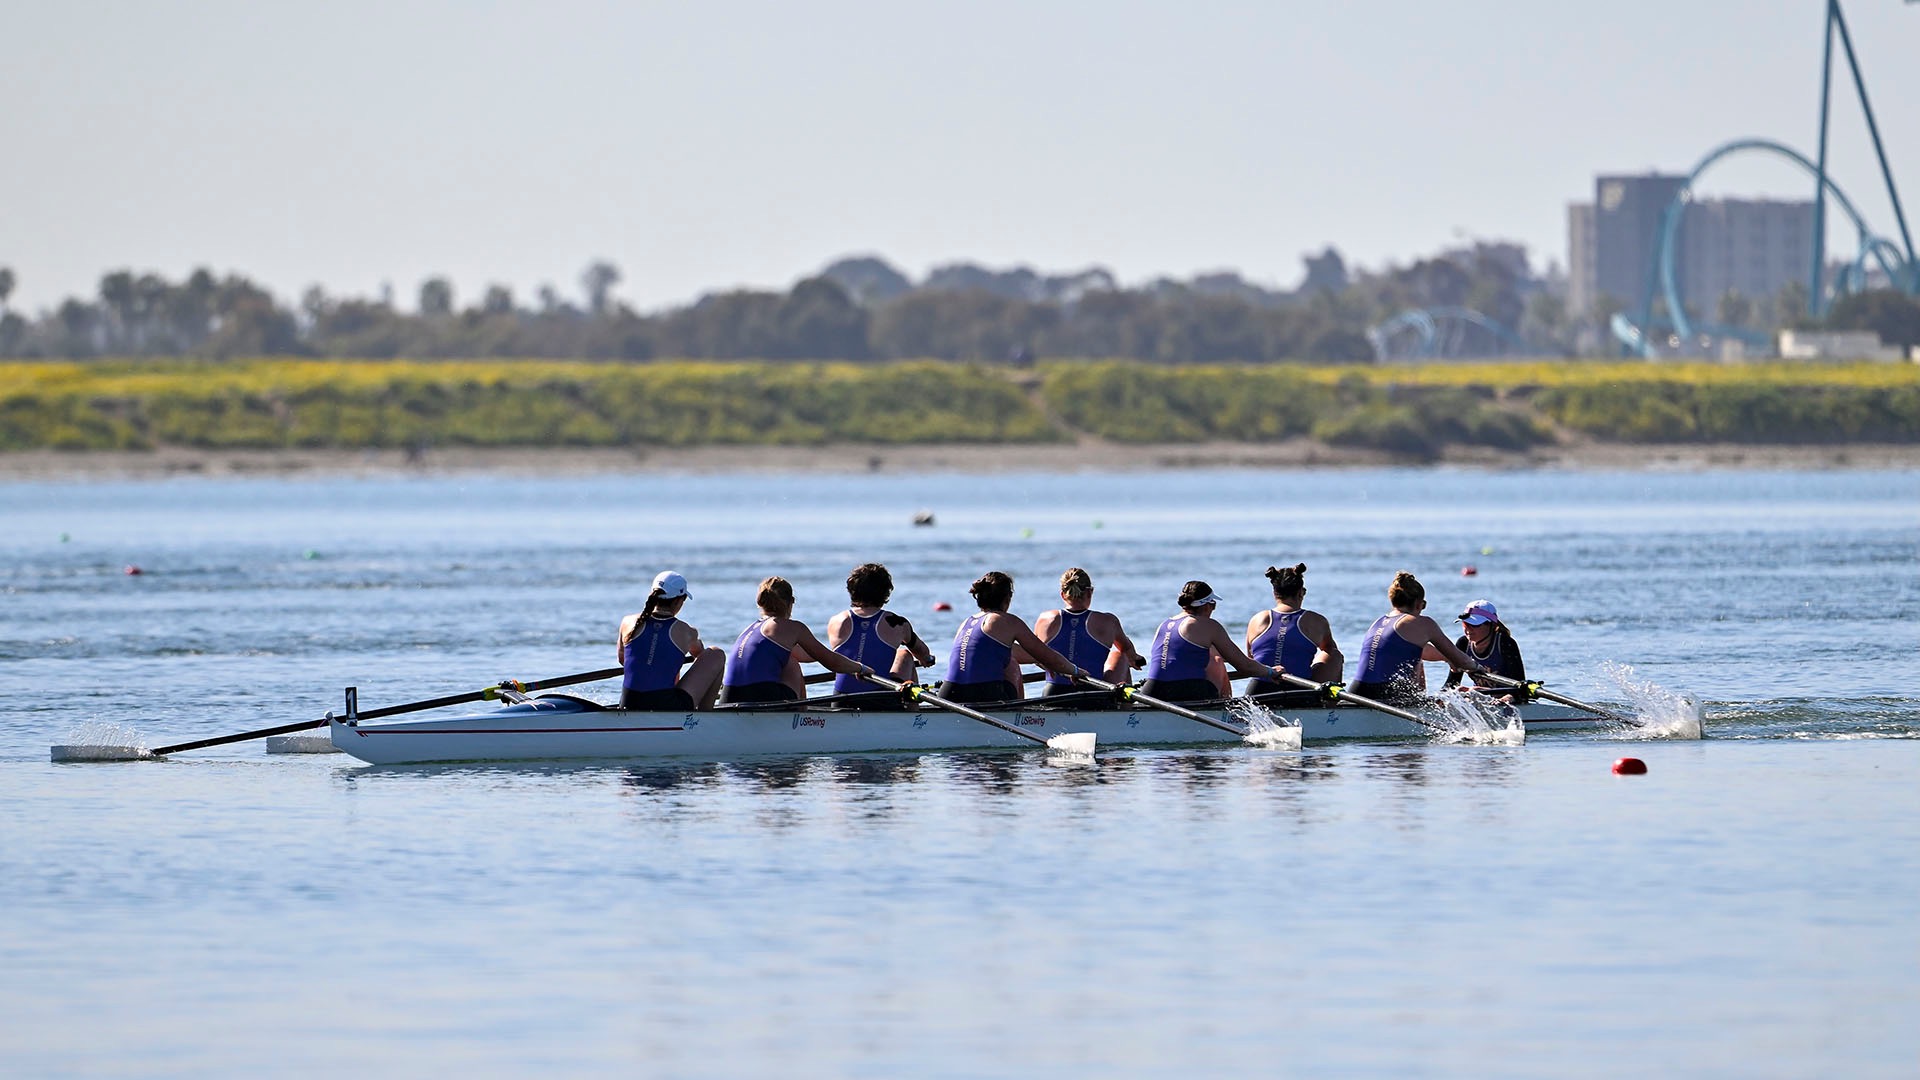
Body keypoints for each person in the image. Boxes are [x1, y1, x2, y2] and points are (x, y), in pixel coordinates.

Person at [718, 577, 877, 705]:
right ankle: (803, 719)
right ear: (791, 602)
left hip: (730, 696)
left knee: (789, 658)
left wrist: (840, 653)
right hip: (760, 696)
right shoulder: (793, 628)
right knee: (791, 663)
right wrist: (861, 668)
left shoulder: (750, 629)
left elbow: (811, 655)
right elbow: (831, 663)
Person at [942, 571, 1089, 704]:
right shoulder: (1008, 621)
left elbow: (1003, 652)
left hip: (949, 694)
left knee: (1008, 658)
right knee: (1012, 665)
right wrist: (1075, 670)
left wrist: (1040, 661)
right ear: (1007, 598)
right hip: (984, 693)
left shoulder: (966, 622)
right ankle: (1019, 716)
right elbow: (1046, 655)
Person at [1349, 571, 1486, 704]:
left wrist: (1446, 658)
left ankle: (1419, 701)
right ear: (1419, 604)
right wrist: (1477, 668)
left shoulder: (1379, 622)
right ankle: (1420, 706)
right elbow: (1462, 662)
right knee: (1419, 665)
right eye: (1423, 606)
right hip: (1386, 694)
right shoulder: (1422, 623)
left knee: (1417, 657)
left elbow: (1423, 650)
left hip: (1357, 692)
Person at [1140, 580, 1284, 702]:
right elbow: (1244, 666)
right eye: (1213, 605)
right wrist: (1270, 672)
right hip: (1185, 691)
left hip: (1151, 691)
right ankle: (1226, 711)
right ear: (1207, 605)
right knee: (1217, 663)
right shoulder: (1208, 625)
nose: (1213, 610)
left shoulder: (1164, 625)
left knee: (1213, 657)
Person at [825, 563, 935, 701]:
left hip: (840, 699)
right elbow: (923, 654)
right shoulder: (897, 623)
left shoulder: (836, 621)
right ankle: (914, 718)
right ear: (886, 592)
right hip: (880, 700)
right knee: (905, 655)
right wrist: (927, 659)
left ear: (852, 590)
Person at [617, 570, 725, 710]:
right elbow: (701, 654)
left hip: (628, 702)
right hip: (665, 706)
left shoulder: (627, 622)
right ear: (679, 601)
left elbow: (623, 660)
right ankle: (704, 719)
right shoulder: (687, 632)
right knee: (716, 654)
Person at [1031, 567, 1142, 698]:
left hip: (1052, 694)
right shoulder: (1107, 621)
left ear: (1062, 594)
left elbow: (1035, 658)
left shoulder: (1045, 619)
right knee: (1120, 655)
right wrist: (1135, 659)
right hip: (1092, 695)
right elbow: (1127, 650)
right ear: (1090, 592)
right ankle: (1126, 714)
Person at [1244, 563, 1343, 695]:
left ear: (1275, 593)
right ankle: (1331, 710)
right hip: (1298, 690)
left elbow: (1250, 657)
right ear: (1301, 592)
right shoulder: (1316, 621)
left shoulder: (1257, 619)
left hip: (1257, 691)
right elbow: (1331, 653)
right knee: (1335, 655)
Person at [1439, 599, 1526, 698]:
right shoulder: (1463, 644)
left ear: (1492, 625)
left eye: (1474, 624)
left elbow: (1519, 687)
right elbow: (1452, 684)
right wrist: (1441, 698)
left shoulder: (1505, 644)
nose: (1468, 629)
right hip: (1480, 697)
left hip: (1506, 699)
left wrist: (1509, 697)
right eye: (1465, 624)